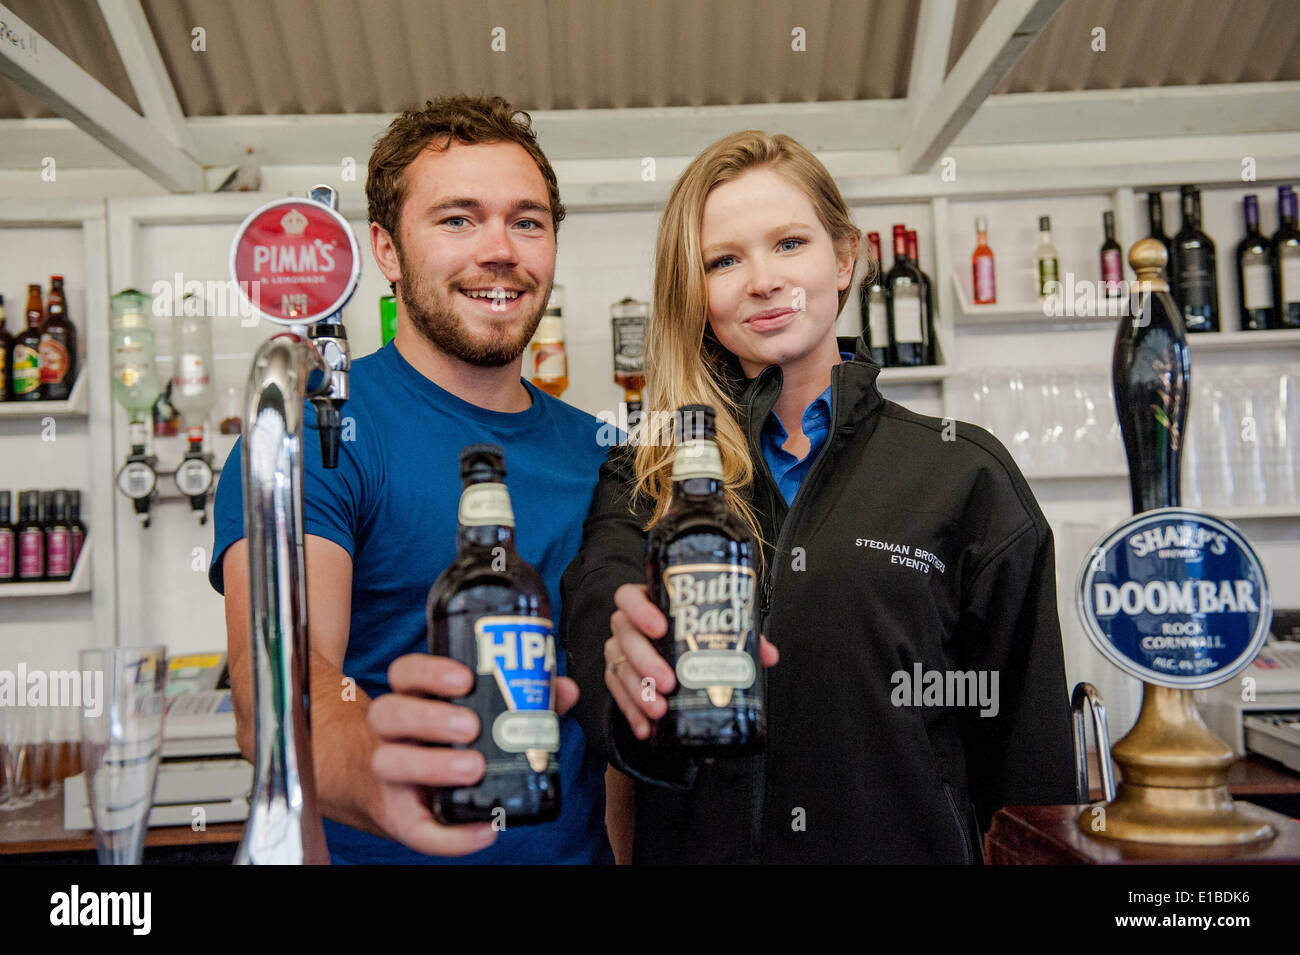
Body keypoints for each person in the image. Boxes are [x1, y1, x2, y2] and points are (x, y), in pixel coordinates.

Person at [560, 130, 1076, 864]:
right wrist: (624, 645)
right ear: (696, 294)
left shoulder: (962, 473)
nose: (763, 280)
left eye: (789, 243)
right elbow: (599, 607)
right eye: (724, 260)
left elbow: (1030, 766)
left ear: (843, 258)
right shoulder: (646, 473)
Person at [210, 94, 612, 864]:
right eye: (458, 219)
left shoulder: (604, 452)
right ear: (386, 252)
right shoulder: (315, 432)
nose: (500, 249)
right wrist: (376, 769)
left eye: (527, 221)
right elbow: (279, 690)